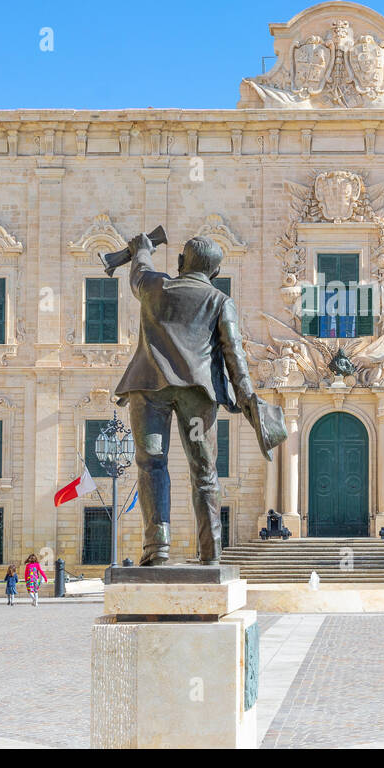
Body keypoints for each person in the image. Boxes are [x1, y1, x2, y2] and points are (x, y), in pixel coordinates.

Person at [112, 233, 263, 566]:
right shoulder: (220, 301)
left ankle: (157, 546)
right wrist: (248, 396)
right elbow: (234, 355)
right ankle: (211, 552)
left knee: (151, 463)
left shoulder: (154, 286)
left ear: (181, 264)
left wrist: (142, 250)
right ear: (217, 272)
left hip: (150, 390)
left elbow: (138, 272)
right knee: (205, 471)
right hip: (197, 394)